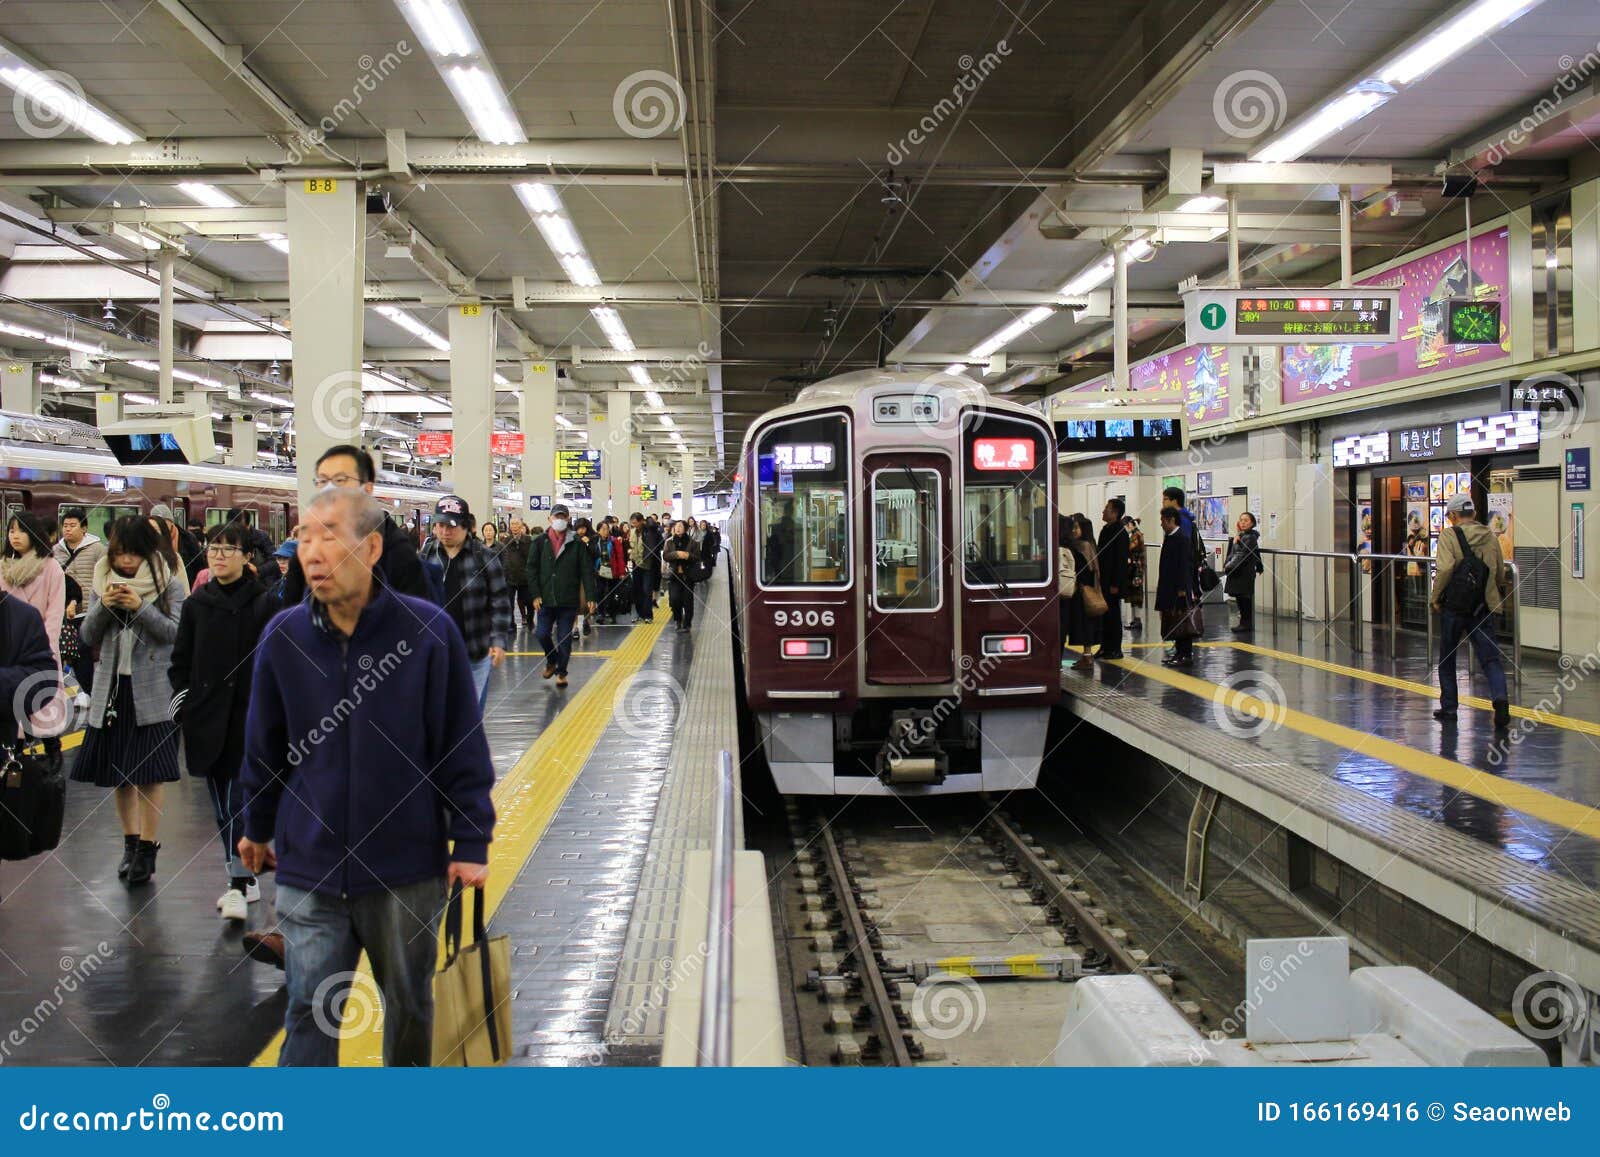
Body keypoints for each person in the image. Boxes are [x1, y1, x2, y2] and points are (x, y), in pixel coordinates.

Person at [239, 487, 496, 1067]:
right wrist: (256, 825)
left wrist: (471, 840)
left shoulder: (428, 633)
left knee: (410, 1009)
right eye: (305, 537)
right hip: (311, 867)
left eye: (329, 535)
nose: (312, 552)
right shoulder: (284, 637)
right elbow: (264, 745)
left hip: (405, 870)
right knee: (308, 1010)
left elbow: (461, 746)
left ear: (373, 547)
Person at [168, 521, 279, 922]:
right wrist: (184, 707)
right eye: (213, 548)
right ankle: (245, 873)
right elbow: (180, 662)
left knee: (236, 802)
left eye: (228, 549)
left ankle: (237, 883)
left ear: (247, 557)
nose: (218, 556)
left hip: (250, 719)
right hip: (206, 719)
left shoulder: (265, 604)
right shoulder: (197, 605)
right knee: (221, 806)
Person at [71, 516, 187, 886]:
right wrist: (104, 606)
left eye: (133, 553)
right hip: (112, 689)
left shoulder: (168, 583)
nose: (125, 561)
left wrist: (140, 606)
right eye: (119, 553)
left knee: (151, 775)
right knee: (120, 775)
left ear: (148, 552)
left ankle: (148, 849)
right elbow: (87, 635)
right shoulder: (102, 581)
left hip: (152, 691)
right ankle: (130, 844)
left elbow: (175, 633)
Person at [277, 445, 434, 605]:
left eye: (340, 480)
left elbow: (415, 613)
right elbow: (292, 606)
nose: (329, 489)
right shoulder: (306, 552)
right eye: (322, 481)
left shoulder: (397, 553)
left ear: (367, 488)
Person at [420, 497, 511, 712]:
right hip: (436, 652)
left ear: (466, 526)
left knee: (470, 716)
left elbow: (500, 601)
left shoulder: (484, 557)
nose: (445, 532)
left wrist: (498, 640)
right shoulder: (427, 555)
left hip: (475, 651)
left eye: (451, 526)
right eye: (440, 526)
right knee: (437, 714)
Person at [1430, 493, 1512, 729]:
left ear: (1454, 515)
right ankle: (1500, 700)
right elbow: (1499, 572)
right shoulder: (1490, 536)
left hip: (1454, 607)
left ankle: (1449, 708)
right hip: (1482, 606)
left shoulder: (1449, 535)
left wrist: (1435, 597)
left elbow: (1445, 569)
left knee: (1447, 658)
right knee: (1490, 659)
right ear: (1474, 513)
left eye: (1449, 516)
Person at [2, 513, 68, 765]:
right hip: (8, 650)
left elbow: (54, 615)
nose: (15, 536)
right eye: (11, 531)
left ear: (34, 533)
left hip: (40, 649)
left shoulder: (51, 568)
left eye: (21, 530)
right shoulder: (2, 567)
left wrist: (43, 646)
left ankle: (52, 755)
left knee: (42, 705)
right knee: (12, 715)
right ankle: (15, 758)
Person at [529, 503, 598, 688]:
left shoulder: (577, 543)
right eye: (556, 517)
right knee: (542, 633)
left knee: (564, 637)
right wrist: (535, 594)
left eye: (562, 517)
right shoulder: (539, 542)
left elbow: (586, 571)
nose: (559, 520)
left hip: (568, 599)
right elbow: (531, 569)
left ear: (568, 519)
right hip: (545, 598)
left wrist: (591, 596)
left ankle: (561, 672)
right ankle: (552, 659)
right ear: (549, 519)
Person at [1155, 507, 1197, 668]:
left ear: (1171, 520)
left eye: (1163, 521)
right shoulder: (1170, 538)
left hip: (1179, 589)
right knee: (1175, 620)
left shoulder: (1182, 539)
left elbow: (1185, 566)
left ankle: (1186, 654)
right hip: (1169, 587)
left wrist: (1182, 589)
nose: (1161, 524)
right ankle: (1179, 652)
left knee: (1182, 620)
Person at [1095, 499, 1129, 661]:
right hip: (1103, 580)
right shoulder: (1105, 530)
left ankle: (1115, 648)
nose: (1103, 511)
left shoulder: (1120, 533)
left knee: (1113, 615)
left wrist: (1116, 583)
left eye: (1106, 509)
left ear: (1115, 513)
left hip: (1112, 583)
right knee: (1104, 615)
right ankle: (1104, 646)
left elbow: (1121, 561)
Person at [1064, 514, 1099, 671]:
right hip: (1082, 589)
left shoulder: (1084, 546)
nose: (1074, 530)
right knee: (1083, 624)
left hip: (1083, 591)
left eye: (1077, 527)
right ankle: (1086, 656)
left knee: (1085, 624)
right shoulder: (1083, 545)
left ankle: (1087, 656)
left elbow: (1087, 570)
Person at [1223, 511, 1264, 634]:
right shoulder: (1242, 535)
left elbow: (1242, 554)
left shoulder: (1250, 537)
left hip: (1243, 571)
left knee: (1244, 598)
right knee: (1240, 597)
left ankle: (1246, 623)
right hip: (1238, 570)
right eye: (1241, 520)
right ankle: (1244, 623)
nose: (1243, 522)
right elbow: (1255, 553)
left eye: (1246, 520)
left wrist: (1228, 566)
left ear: (1252, 523)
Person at [151, 503, 206, 585]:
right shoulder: (149, 539)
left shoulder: (187, 538)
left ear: (171, 522)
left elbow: (199, 564)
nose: (161, 525)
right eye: (156, 522)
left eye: (164, 521)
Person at [662, 519, 701, 633]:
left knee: (688, 601)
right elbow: (665, 556)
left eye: (680, 526)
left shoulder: (693, 542)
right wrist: (676, 554)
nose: (677, 528)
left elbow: (697, 557)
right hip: (674, 575)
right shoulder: (669, 542)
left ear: (685, 529)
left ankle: (687, 624)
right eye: (676, 526)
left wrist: (688, 556)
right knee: (675, 599)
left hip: (688, 575)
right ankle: (677, 620)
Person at [628, 512, 662, 623]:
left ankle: (648, 615)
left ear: (642, 521)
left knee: (647, 590)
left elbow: (656, 544)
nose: (634, 525)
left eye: (635, 523)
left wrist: (650, 522)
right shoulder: (633, 532)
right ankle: (639, 614)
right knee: (637, 590)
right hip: (636, 564)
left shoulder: (650, 531)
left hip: (648, 565)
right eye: (632, 523)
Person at [501, 518, 534, 630]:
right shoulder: (505, 541)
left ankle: (530, 620)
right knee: (509, 602)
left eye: (516, 524)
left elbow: (531, 557)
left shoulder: (528, 540)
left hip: (525, 578)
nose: (514, 526)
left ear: (521, 526)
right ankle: (511, 624)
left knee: (529, 601)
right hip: (510, 577)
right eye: (512, 524)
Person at [594, 519, 628, 624]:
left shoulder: (614, 541)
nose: (606, 531)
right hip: (599, 571)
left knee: (612, 593)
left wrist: (622, 572)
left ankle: (612, 614)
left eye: (607, 529)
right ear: (598, 530)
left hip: (613, 571)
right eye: (603, 529)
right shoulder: (594, 542)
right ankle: (601, 613)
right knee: (600, 592)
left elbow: (620, 557)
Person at [1125, 516, 1146, 633]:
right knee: (1133, 594)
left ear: (1130, 525)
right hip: (1133, 568)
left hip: (1136, 569)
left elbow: (1129, 547)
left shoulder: (1136, 535)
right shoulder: (1134, 534)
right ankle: (1135, 619)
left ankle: (1137, 620)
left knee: (1136, 595)